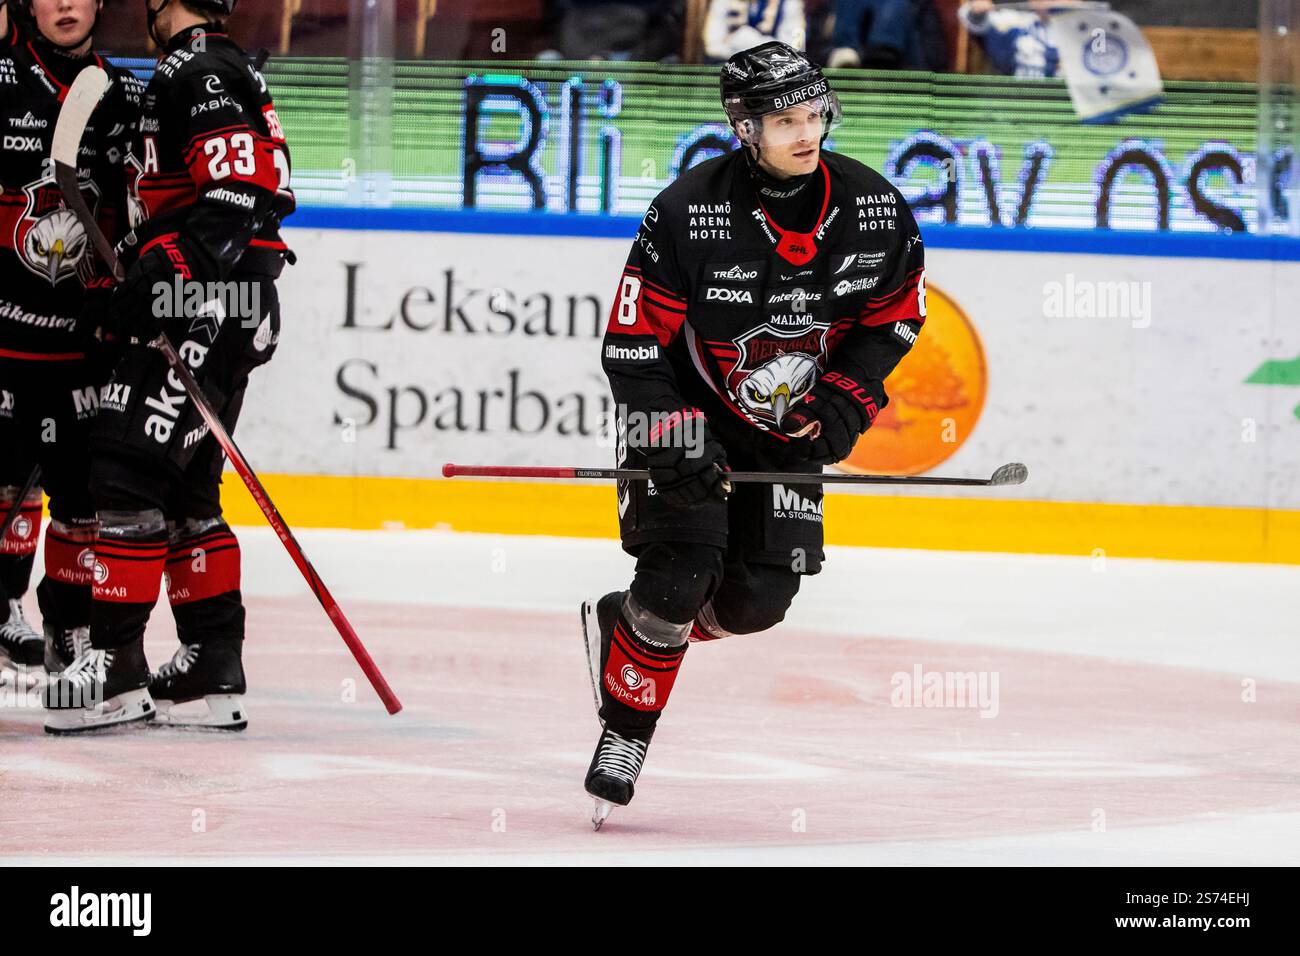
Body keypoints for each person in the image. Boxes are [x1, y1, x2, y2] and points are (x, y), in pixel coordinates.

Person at [583, 40, 926, 827]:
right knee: (678, 576)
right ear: (745, 127)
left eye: (815, 115)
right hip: (683, 414)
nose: (806, 133)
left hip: (784, 432)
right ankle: (625, 732)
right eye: (785, 120)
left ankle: (629, 630)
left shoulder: (876, 210)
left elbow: (897, 318)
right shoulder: (687, 212)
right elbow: (632, 348)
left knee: (756, 602)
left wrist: (846, 395)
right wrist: (671, 438)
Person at [42, 0, 295, 733]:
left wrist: (164, 273)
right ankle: (212, 665)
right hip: (219, 302)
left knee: (125, 469)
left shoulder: (200, 67)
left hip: (211, 303)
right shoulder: (199, 67)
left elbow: (240, 191)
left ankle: (115, 671)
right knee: (186, 488)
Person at [0, 0, 141, 678]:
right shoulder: (1, 79)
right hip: (2, 342)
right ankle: (2, 608)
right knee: (5, 483)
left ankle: (70, 635)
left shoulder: (125, 94)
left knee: (81, 503)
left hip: (84, 347)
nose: (65, 3)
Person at [703, 0, 807, 62]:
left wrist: (742, 37)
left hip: (773, 79)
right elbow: (712, 47)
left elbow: (793, 50)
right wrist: (769, 48)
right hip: (728, 73)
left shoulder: (791, 2)